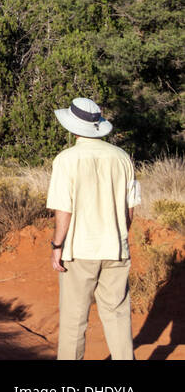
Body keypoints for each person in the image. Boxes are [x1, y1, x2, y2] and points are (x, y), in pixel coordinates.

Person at [45, 97, 137, 360]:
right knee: (118, 315)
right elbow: (130, 208)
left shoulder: (66, 160)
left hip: (79, 251)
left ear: (73, 127)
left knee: (74, 319)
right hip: (116, 248)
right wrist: (118, 234)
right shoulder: (122, 158)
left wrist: (57, 246)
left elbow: (64, 209)